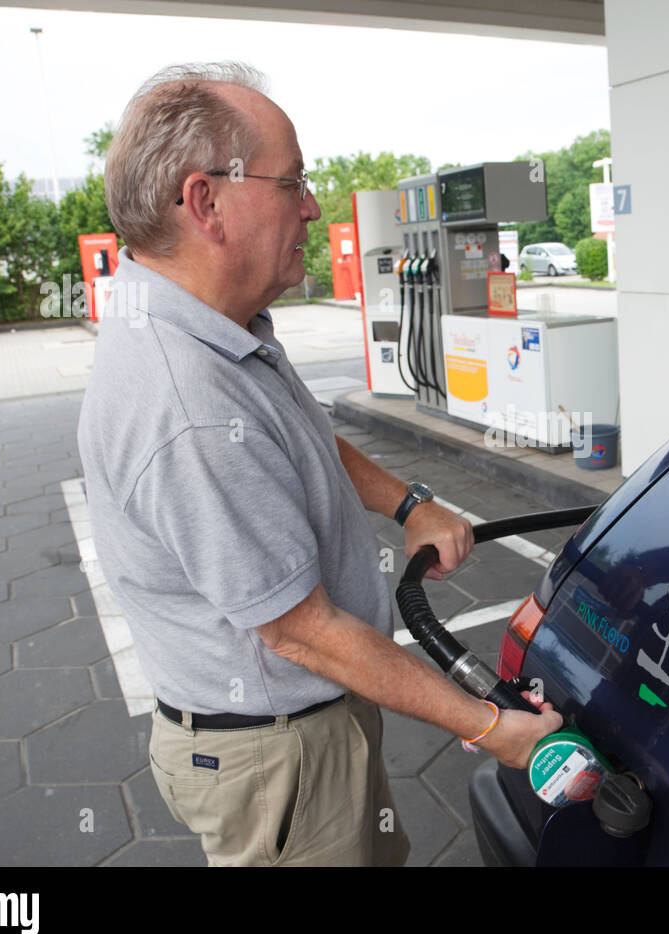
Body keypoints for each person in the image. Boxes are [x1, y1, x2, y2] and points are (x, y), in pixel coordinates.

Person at [77, 62, 562, 866]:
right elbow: (306, 634)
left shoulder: (221, 327)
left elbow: (299, 433)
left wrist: (410, 506)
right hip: (279, 758)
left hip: (301, 734)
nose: (311, 206)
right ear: (207, 202)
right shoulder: (187, 401)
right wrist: (492, 730)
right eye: (292, 181)